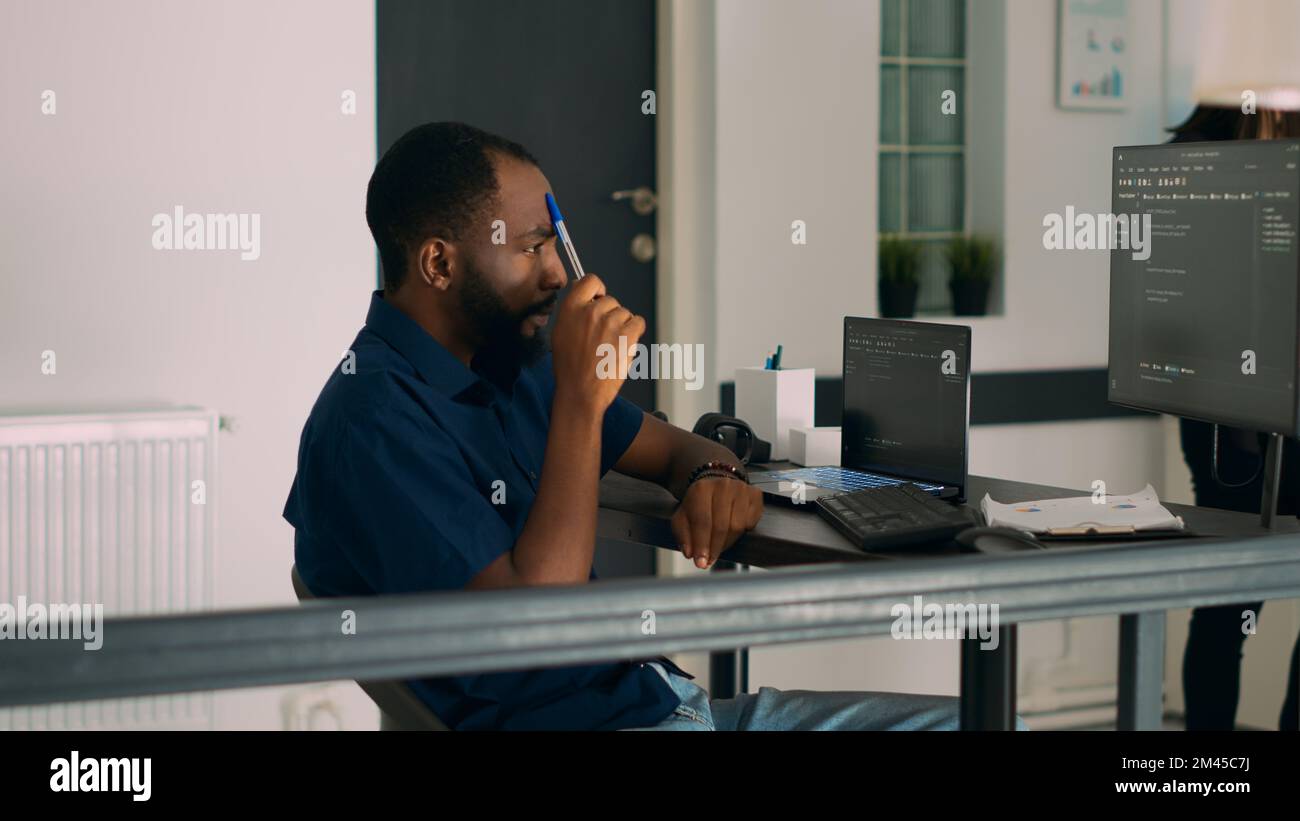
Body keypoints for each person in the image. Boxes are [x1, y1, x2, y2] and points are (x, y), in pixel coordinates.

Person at [282, 121, 975, 730]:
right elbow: (535, 629)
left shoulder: (512, 365)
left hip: (667, 700)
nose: (558, 272)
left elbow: (680, 448)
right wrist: (583, 401)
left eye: (556, 243)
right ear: (439, 263)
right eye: (530, 248)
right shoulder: (371, 421)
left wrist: (709, 473)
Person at [1170, 104, 1300, 731]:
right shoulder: (1209, 148)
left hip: (1254, 404)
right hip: (1229, 414)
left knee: (1225, 604)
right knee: (1227, 598)